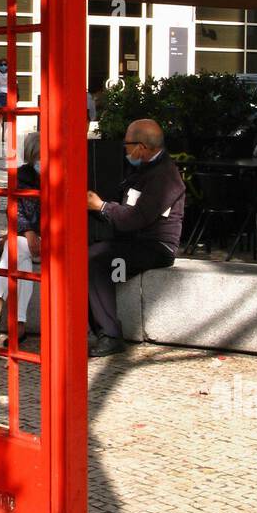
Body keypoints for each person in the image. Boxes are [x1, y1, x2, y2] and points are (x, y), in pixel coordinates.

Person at [86, 118, 185, 358]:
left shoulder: (165, 177)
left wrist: (101, 207)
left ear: (141, 147)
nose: (125, 150)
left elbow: (136, 218)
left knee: (95, 261)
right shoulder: (144, 168)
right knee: (86, 255)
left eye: (127, 145)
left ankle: (110, 334)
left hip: (155, 247)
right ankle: (91, 328)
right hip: (133, 241)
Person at [0, 131, 40, 345]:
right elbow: (13, 208)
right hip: (25, 238)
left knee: (16, 247)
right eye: (37, 157)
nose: (40, 162)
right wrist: (28, 232)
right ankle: (19, 325)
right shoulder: (19, 175)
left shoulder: (58, 174)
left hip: (51, 236)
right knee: (19, 254)